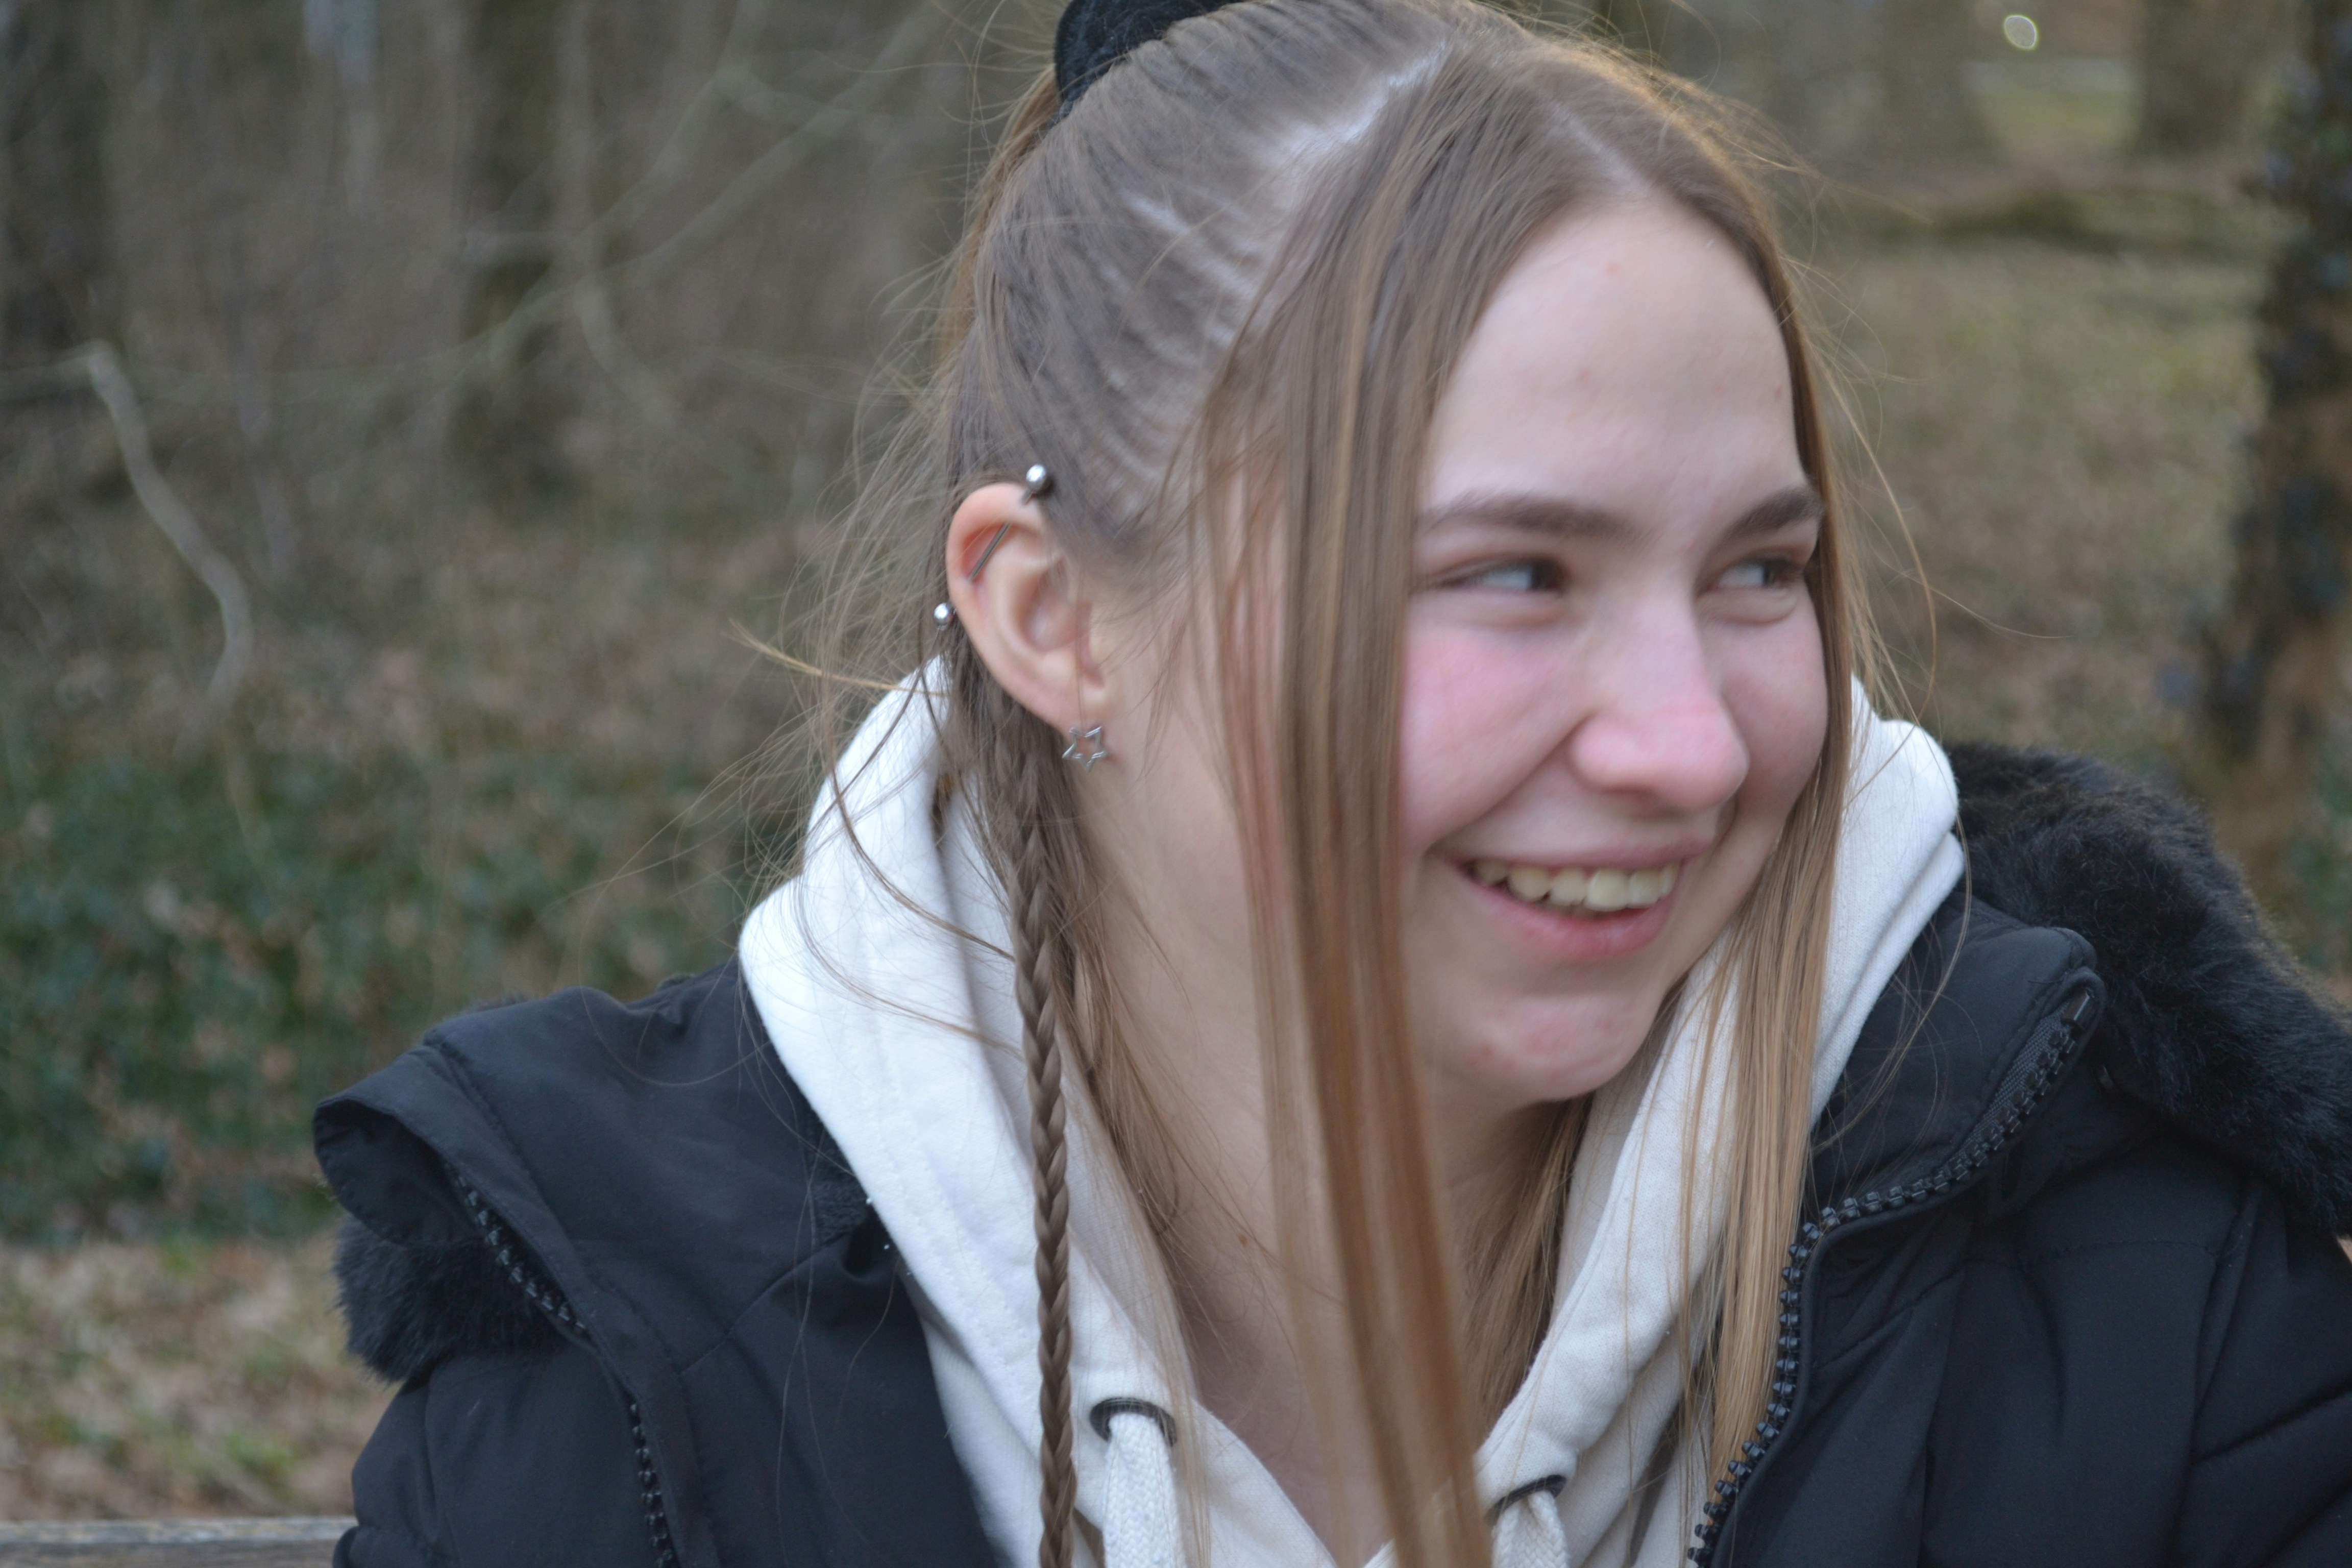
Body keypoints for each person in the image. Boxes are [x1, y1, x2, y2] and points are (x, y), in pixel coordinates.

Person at [314, 1, 2352, 1564]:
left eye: (1760, 569)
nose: (1694, 741)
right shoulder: (618, 1420)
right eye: (1514, 575)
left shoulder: (2142, 1319)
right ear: (1052, 620)